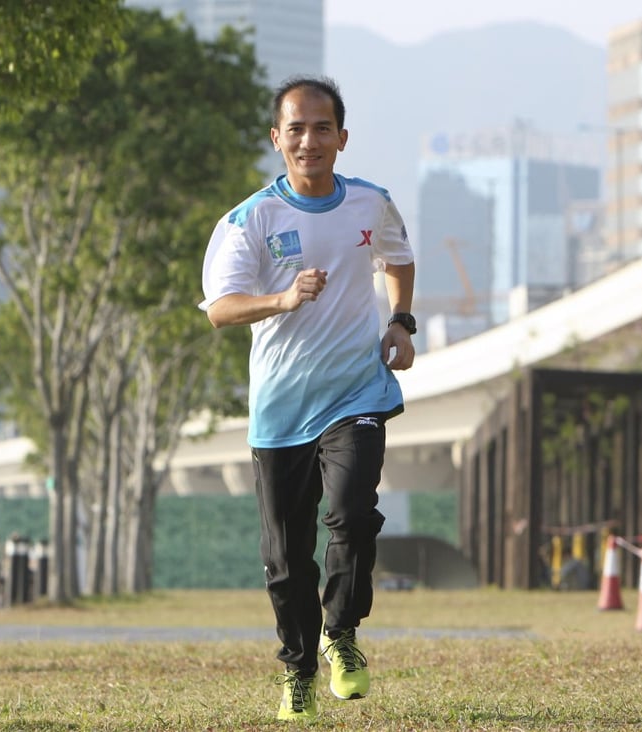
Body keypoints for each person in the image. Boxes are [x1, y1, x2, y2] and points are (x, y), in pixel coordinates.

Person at [200, 75, 415, 721]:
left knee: (352, 514)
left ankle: (342, 632)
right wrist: (282, 299)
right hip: (281, 410)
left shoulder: (371, 204)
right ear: (277, 139)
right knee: (286, 560)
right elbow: (220, 309)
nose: (309, 139)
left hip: (357, 392)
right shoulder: (249, 220)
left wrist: (401, 322)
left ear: (342, 138)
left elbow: (398, 260)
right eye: (296, 128)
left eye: (322, 128)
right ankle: (297, 669)